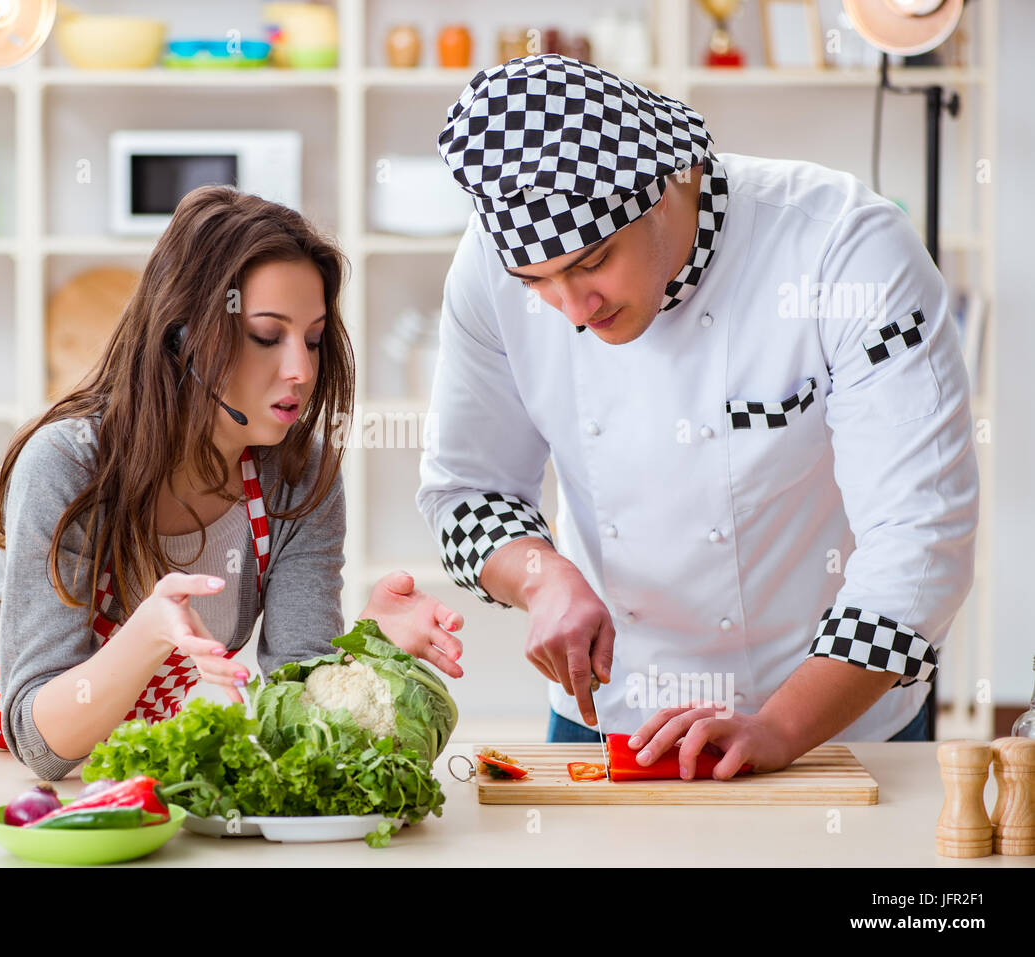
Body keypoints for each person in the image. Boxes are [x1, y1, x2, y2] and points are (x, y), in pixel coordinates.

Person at [417, 55, 978, 777]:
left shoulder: (844, 249)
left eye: (593, 262)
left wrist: (780, 727)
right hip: (608, 721)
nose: (573, 311)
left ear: (664, 185)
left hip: (836, 724)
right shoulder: (488, 270)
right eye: (537, 284)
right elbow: (467, 490)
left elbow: (922, 542)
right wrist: (543, 576)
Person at [0, 185, 465, 780]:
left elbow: (294, 702)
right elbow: (40, 744)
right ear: (183, 337)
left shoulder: (299, 479)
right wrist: (148, 629)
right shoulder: (68, 466)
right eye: (266, 336)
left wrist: (371, 649)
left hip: (99, 772)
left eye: (314, 338)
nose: (301, 370)